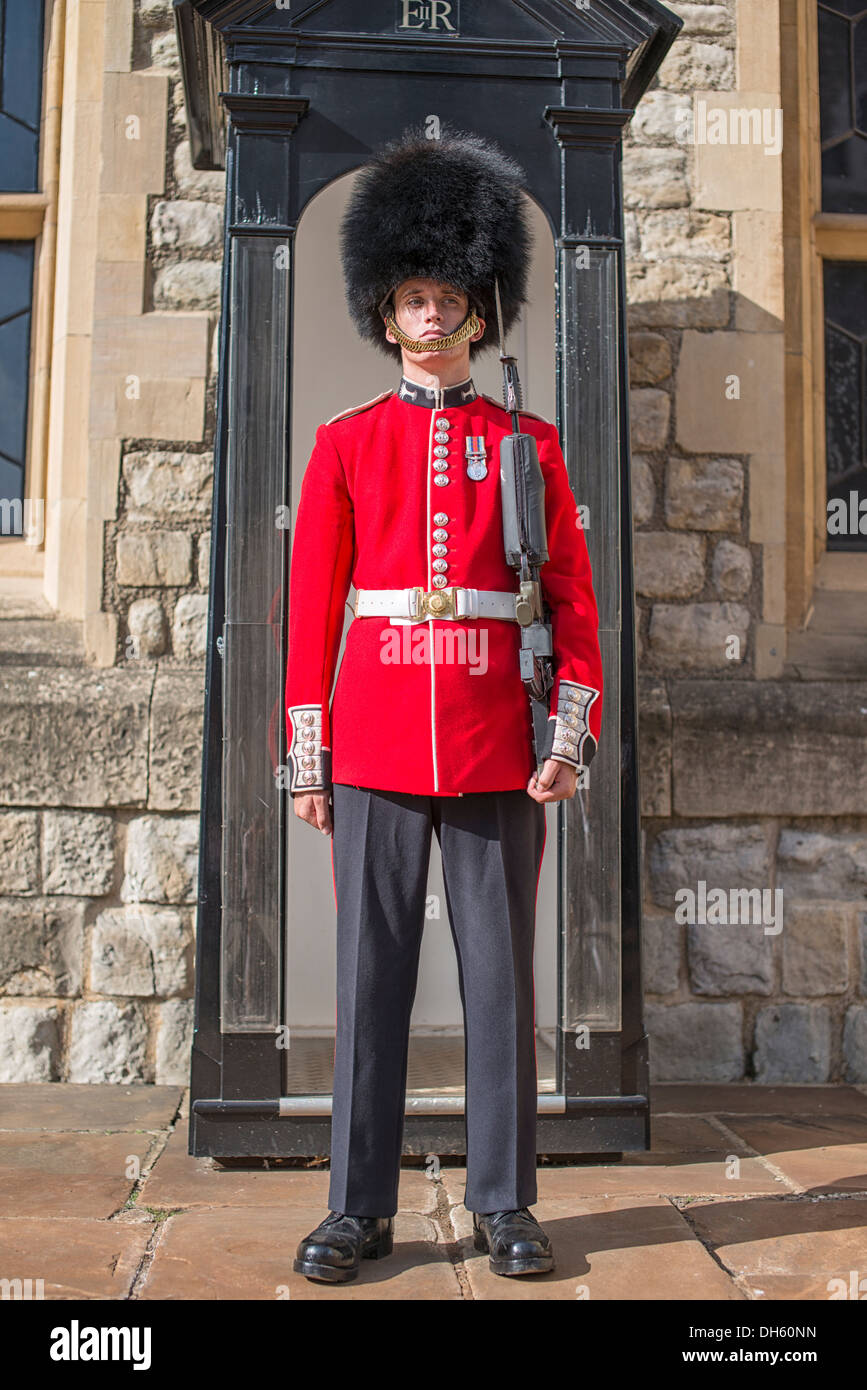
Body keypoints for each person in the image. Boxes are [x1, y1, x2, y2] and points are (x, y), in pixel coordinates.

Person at [286, 128, 603, 1283]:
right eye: (412, 297)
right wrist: (309, 755)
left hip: (494, 746)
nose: (430, 315)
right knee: (370, 983)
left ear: (480, 313)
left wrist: (570, 730)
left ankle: (504, 1199)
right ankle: (357, 1207)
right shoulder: (344, 447)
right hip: (371, 740)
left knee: (499, 980)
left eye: (449, 297)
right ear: (386, 314)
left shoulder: (530, 445)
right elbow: (313, 616)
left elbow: (572, 601)